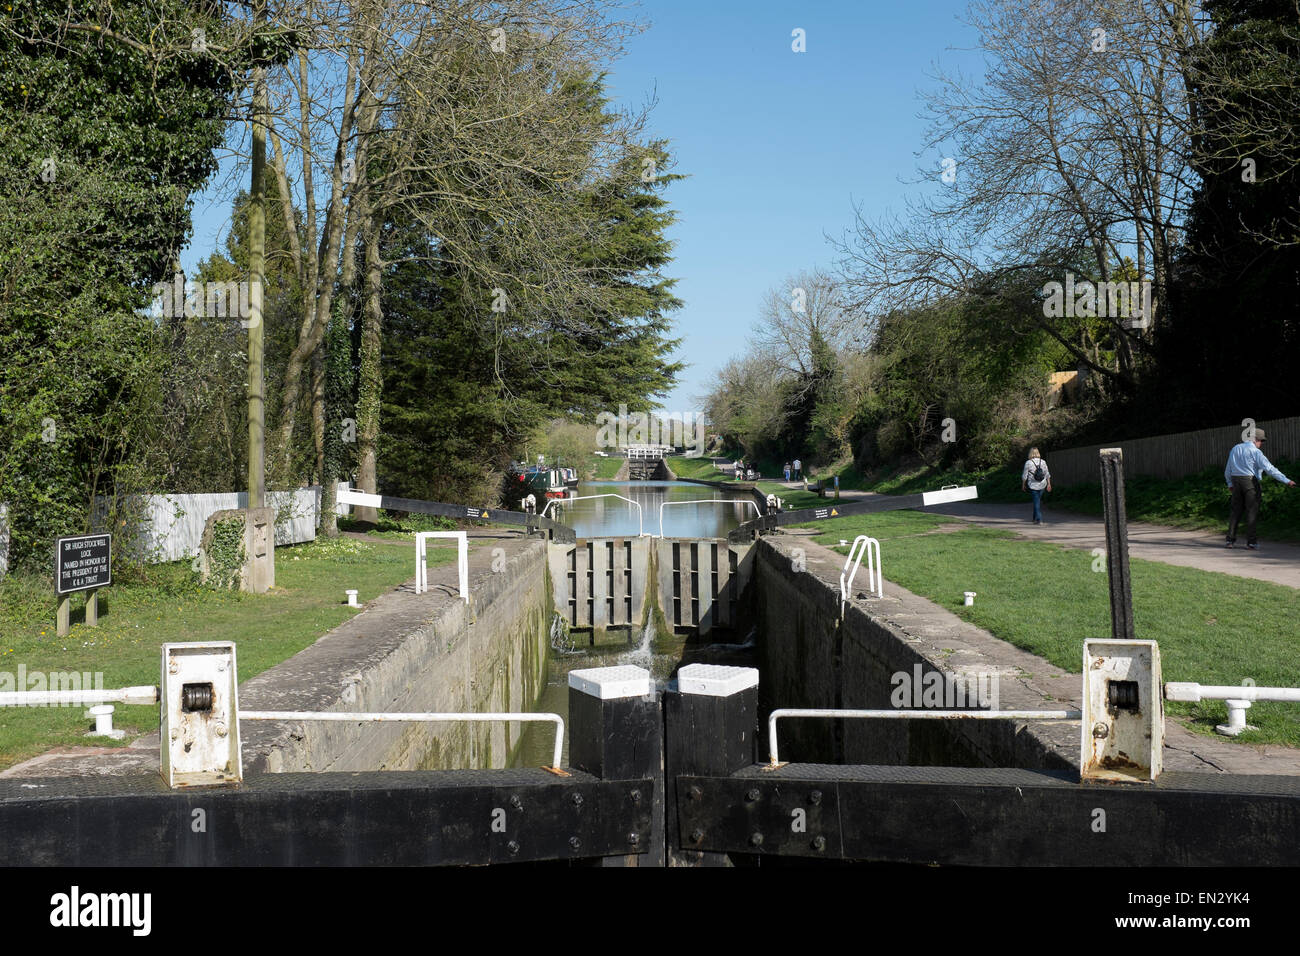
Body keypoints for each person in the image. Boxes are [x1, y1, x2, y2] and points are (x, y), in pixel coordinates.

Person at [1224, 428, 1295, 549]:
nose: (1261, 443)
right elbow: (1270, 469)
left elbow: (1228, 469)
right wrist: (1286, 480)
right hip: (1250, 482)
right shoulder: (1255, 452)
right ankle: (1251, 542)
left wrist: (1230, 483)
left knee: (1235, 512)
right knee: (1251, 512)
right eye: (1261, 441)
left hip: (1236, 482)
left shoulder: (1235, 448)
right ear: (1255, 439)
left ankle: (1230, 541)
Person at [1021, 447, 1051, 524]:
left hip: (1032, 485)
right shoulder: (1043, 462)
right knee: (1037, 502)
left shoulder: (1028, 462)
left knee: (1036, 502)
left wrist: (1023, 484)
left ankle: (1040, 519)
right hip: (1042, 484)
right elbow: (1047, 473)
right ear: (1038, 453)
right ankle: (1034, 519)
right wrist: (1049, 484)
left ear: (1030, 453)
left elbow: (1025, 475)